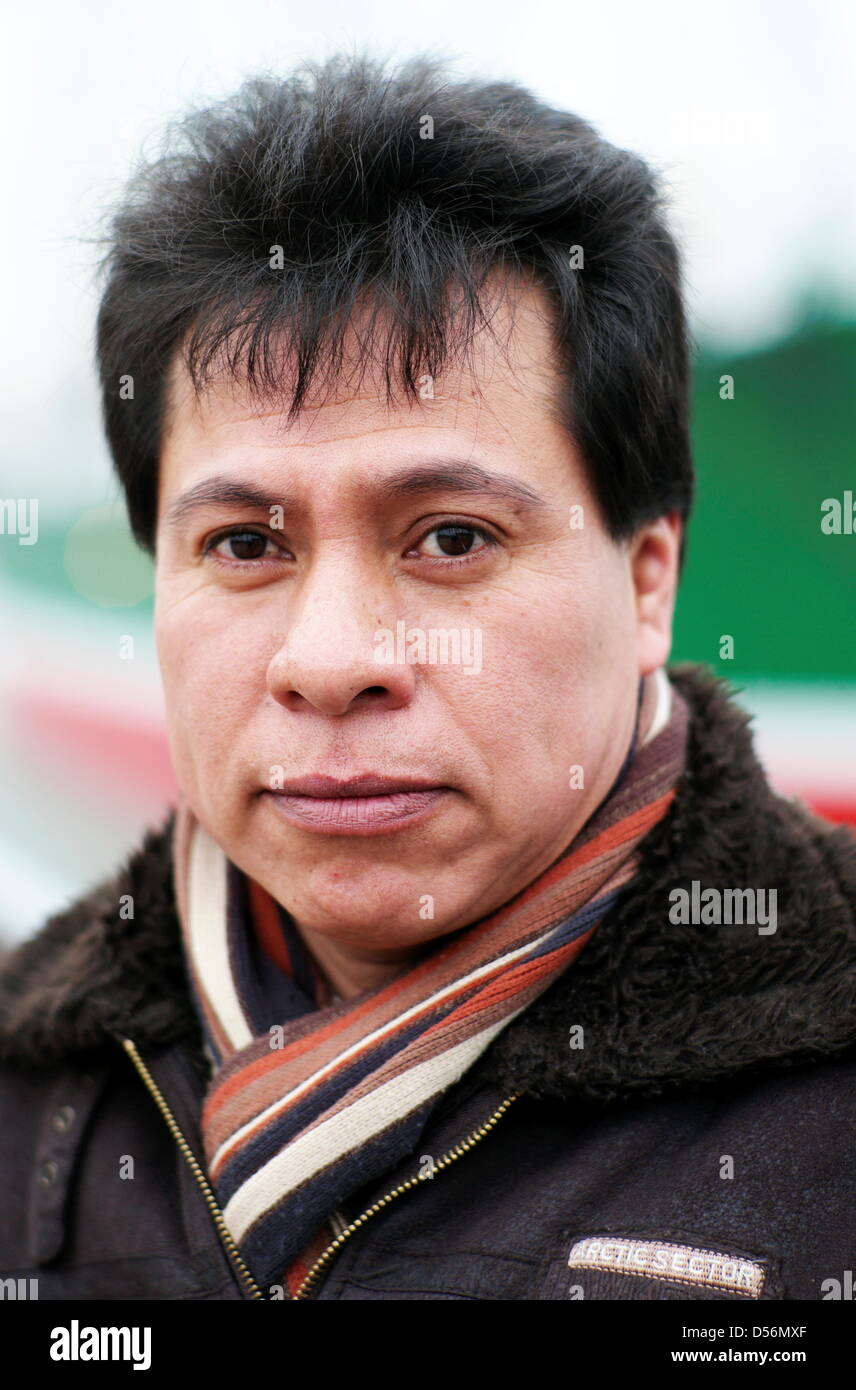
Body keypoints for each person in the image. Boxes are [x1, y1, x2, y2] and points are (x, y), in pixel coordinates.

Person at [1, 52, 854, 1303]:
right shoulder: (33, 1079)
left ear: (647, 580)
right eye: (245, 544)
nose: (334, 660)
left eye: (452, 536)